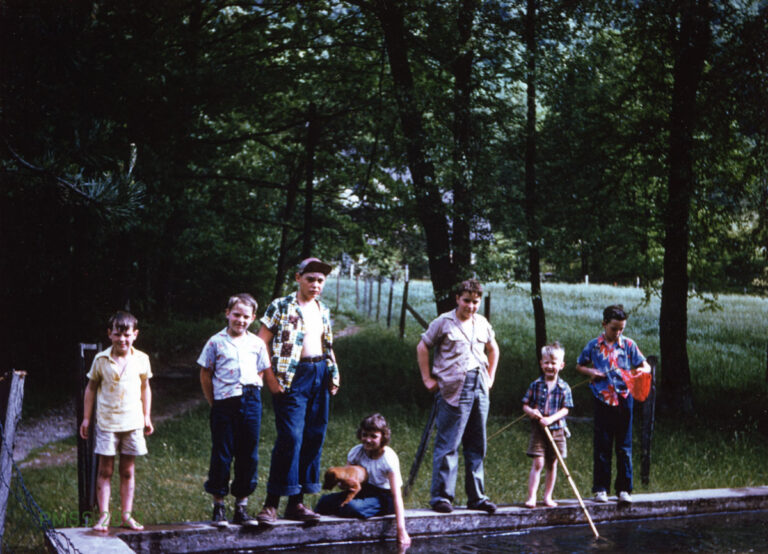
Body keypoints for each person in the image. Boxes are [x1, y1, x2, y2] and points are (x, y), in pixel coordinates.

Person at [256, 257, 340, 524]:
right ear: (298, 278)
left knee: (313, 436)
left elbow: (327, 345)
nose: (315, 285)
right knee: (290, 437)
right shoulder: (281, 306)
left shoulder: (322, 309)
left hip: (320, 374)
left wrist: (334, 374)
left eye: (320, 281)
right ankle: (271, 503)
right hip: (292, 377)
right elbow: (260, 343)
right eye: (310, 279)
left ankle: (297, 503)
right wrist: (271, 380)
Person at [416, 279, 500, 514]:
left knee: (477, 444)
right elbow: (422, 347)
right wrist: (427, 379)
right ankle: (442, 497)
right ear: (457, 299)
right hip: (453, 388)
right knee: (449, 444)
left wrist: (490, 377)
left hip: (479, 385)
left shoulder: (482, 323)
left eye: (475, 302)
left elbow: (493, 349)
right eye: (466, 301)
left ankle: (477, 497)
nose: (471, 306)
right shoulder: (443, 322)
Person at [198, 293, 270, 527]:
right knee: (222, 453)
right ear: (227, 313)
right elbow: (205, 373)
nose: (240, 320)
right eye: (236, 314)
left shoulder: (257, 343)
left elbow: (261, 370)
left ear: (253, 318)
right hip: (224, 402)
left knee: (248, 453)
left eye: (246, 316)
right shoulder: (215, 342)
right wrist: (215, 401)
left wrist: (251, 392)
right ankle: (219, 506)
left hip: (251, 401)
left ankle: (241, 506)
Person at [80, 311, 153, 532]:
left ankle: (126, 515)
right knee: (105, 471)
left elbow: (145, 388)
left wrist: (146, 416)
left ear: (135, 335)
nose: (122, 339)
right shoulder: (101, 359)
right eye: (117, 334)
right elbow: (91, 388)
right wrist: (86, 418)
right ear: (109, 334)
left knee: (128, 471)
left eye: (127, 335)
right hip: (107, 424)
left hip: (133, 423)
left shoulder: (142, 359)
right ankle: (104, 516)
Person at [576, 304, 650, 504]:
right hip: (602, 399)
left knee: (624, 446)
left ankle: (624, 489)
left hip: (624, 400)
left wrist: (642, 370)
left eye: (621, 329)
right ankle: (601, 489)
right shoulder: (594, 345)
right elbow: (579, 365)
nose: (617, 333)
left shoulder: (629, 345)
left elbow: (646, 365)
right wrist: (591, 372)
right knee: (603, 445)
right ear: (604, 324)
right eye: (614, 328)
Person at [315, 413, 410, 546]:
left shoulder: (388, 458)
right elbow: (346, 484)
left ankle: (345, 510)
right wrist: (344, 484)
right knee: (324, 501)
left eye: (373, 436)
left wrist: (401, 530)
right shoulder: (356, 452)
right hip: (364, 490)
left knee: (352, 507)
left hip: (384, 497)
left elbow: (397, 496)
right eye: (365, 435)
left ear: (383, 437)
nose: (368, 440)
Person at [522, 342, 573, 508]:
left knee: (552, 463)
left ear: (561, 365)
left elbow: (566, 409)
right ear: (541, 363)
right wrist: (531, 412)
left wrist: (550, 419)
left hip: (557, 430)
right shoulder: (535, 385)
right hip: (539, 430)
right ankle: (531, 497)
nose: (550, 366)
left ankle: (547, 497)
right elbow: (525, 405)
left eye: (553, 363)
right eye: (546, 363)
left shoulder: (564, 387)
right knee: (538, 462)